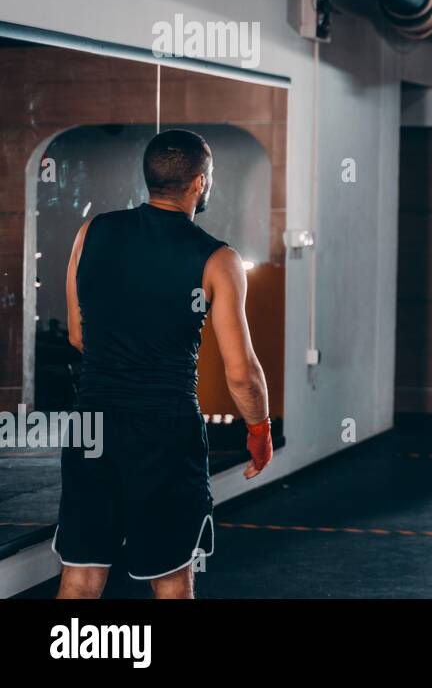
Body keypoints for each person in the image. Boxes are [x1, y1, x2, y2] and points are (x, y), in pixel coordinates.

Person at [55, 129, 272, 599]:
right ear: (199, 183)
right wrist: (259, 430)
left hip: (91, 422)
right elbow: (241, 371)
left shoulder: (92, 231)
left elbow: (77, 335)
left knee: (80, 573)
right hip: (163, 431)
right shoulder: (217, 258)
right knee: (172, 577)